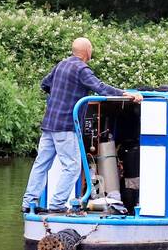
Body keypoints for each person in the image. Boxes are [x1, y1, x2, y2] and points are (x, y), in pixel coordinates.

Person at [22, 38, 142, 214]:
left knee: (41, 164)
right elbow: (99, 87)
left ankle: (29, 202)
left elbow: (45, 84)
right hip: (65, 125)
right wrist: (125, 94)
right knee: (72, 166)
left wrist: (59, 98)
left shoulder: (61, 65)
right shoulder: (81, 69)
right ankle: (57, 204)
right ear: (87, 51)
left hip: (49, 124)